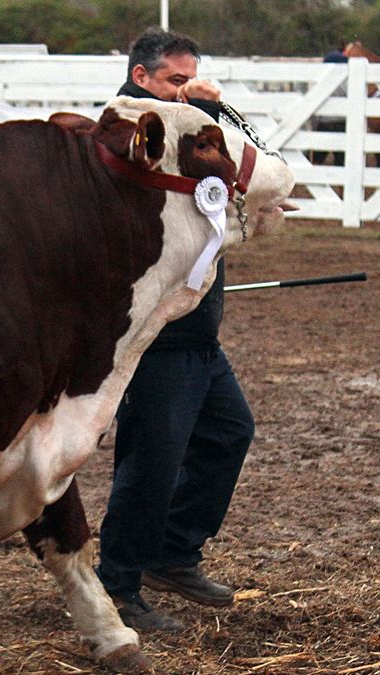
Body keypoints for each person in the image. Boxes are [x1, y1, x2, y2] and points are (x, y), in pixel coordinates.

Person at [96, 26, 255, 634]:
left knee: (229, 433)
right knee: (152, 460)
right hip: (155, 336)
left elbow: (238, 173)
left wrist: (209, 114)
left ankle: (172, 551)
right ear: (141, 78)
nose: (187, 90)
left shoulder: (190, 128)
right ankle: (117, 586)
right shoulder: (131, 133)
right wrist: (202, 111)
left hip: (198, 332)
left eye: (191, 78)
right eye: (175, 80)